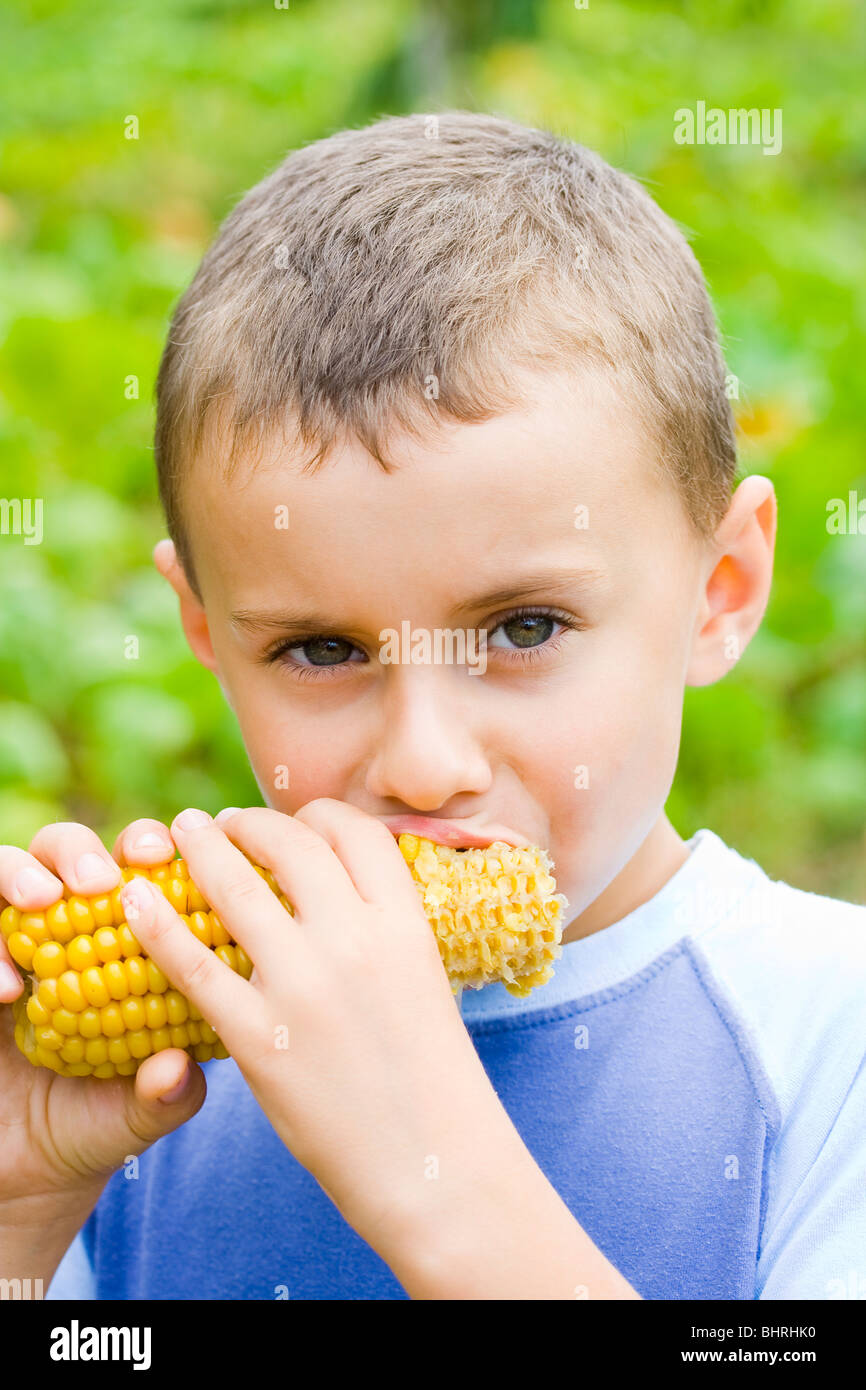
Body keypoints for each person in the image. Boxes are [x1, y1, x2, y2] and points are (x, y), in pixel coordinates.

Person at [2, 111, 864, 1300]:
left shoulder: (832, 1052)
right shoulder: (147, 1115)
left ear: (720, 591)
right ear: (202, 625)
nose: (422, 761)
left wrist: (440, 1186)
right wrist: (22, 1229)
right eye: (319, 647)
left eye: (522, 630)